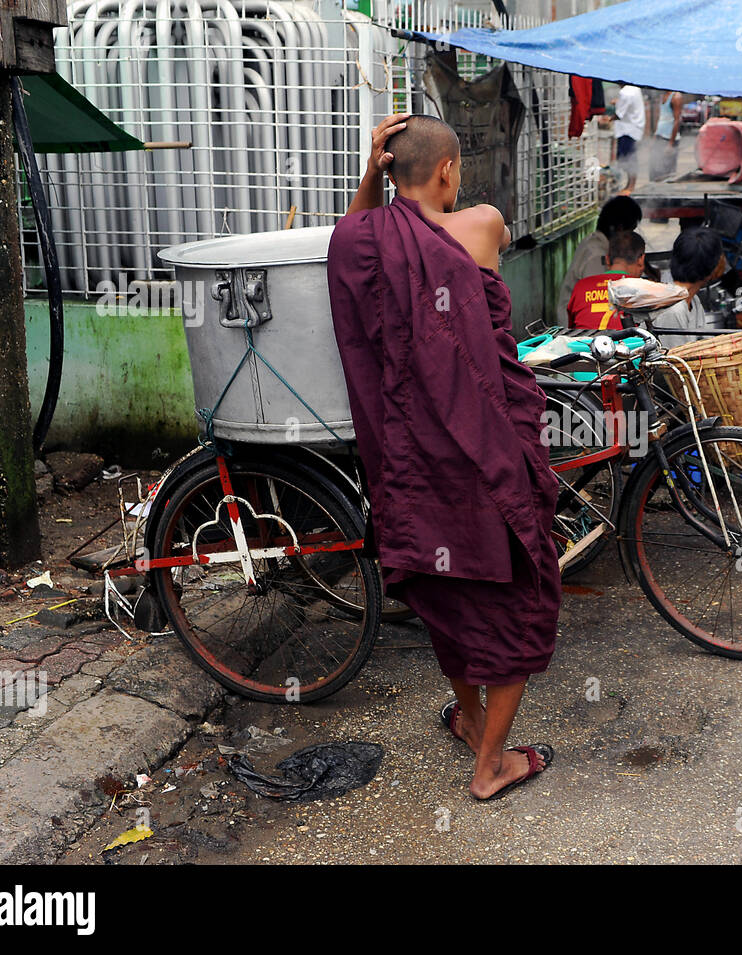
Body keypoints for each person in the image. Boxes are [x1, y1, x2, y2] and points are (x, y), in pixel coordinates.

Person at [327, 114, 561, 801]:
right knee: (522, 594)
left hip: (413, 467)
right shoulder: (483, 223)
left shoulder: (361, 238)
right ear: (448, 170)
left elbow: (353, 239)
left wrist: (374, 174)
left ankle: (469, 714)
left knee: (448, 592)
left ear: (386, 171)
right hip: (487, 451)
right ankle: (492, 764)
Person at [557, 195, 642, 317]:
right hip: (577, 324)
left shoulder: (595, 242)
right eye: (631, 231)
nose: (631, 237)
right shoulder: (597, 256)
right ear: (620, 228)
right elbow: (595, 300)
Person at [566, 229, 646, 329]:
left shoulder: (581, 286)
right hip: (627, 344)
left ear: (607, 259)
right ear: (641, 260)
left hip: (585, 343)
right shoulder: (645, 289)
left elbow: (572, 327)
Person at [600, 83, 646, 193]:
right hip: (634, 128)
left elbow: (619, 114)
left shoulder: (625, 92)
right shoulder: (634, 88)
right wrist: (618, 102)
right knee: (628, 158)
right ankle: (629, 184)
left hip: (627, 130)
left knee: (629, 159)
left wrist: (608, 119)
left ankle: (631, 185)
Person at [650, 90, 684, 180]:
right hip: (660, 136)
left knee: (667, 172)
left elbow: (677, 120)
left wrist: (671, 144)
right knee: (655, 170)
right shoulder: (663, 96)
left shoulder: (676, 97)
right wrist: (655, 136)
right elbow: (660, 118)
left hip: (669, 138)